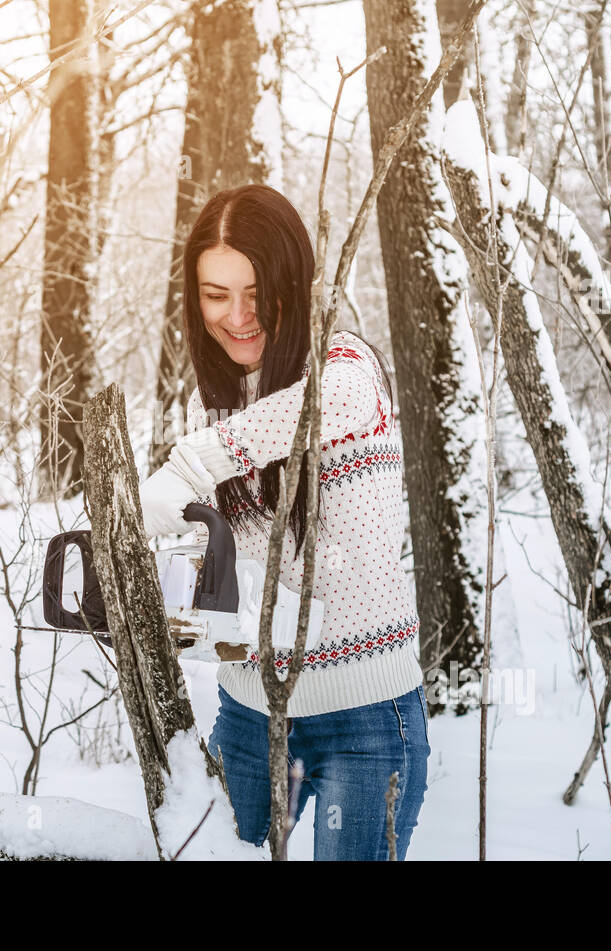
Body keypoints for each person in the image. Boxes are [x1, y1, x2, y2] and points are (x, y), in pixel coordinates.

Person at [139, 183, 429, 860]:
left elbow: (322, 406)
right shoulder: (207, 404)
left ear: (293, 284)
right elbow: (227, 562)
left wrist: (194, 462)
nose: (237, 316)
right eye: (216, 294)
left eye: (257, 291)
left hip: (366, 719)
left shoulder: (346, 367)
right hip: (248, 712)